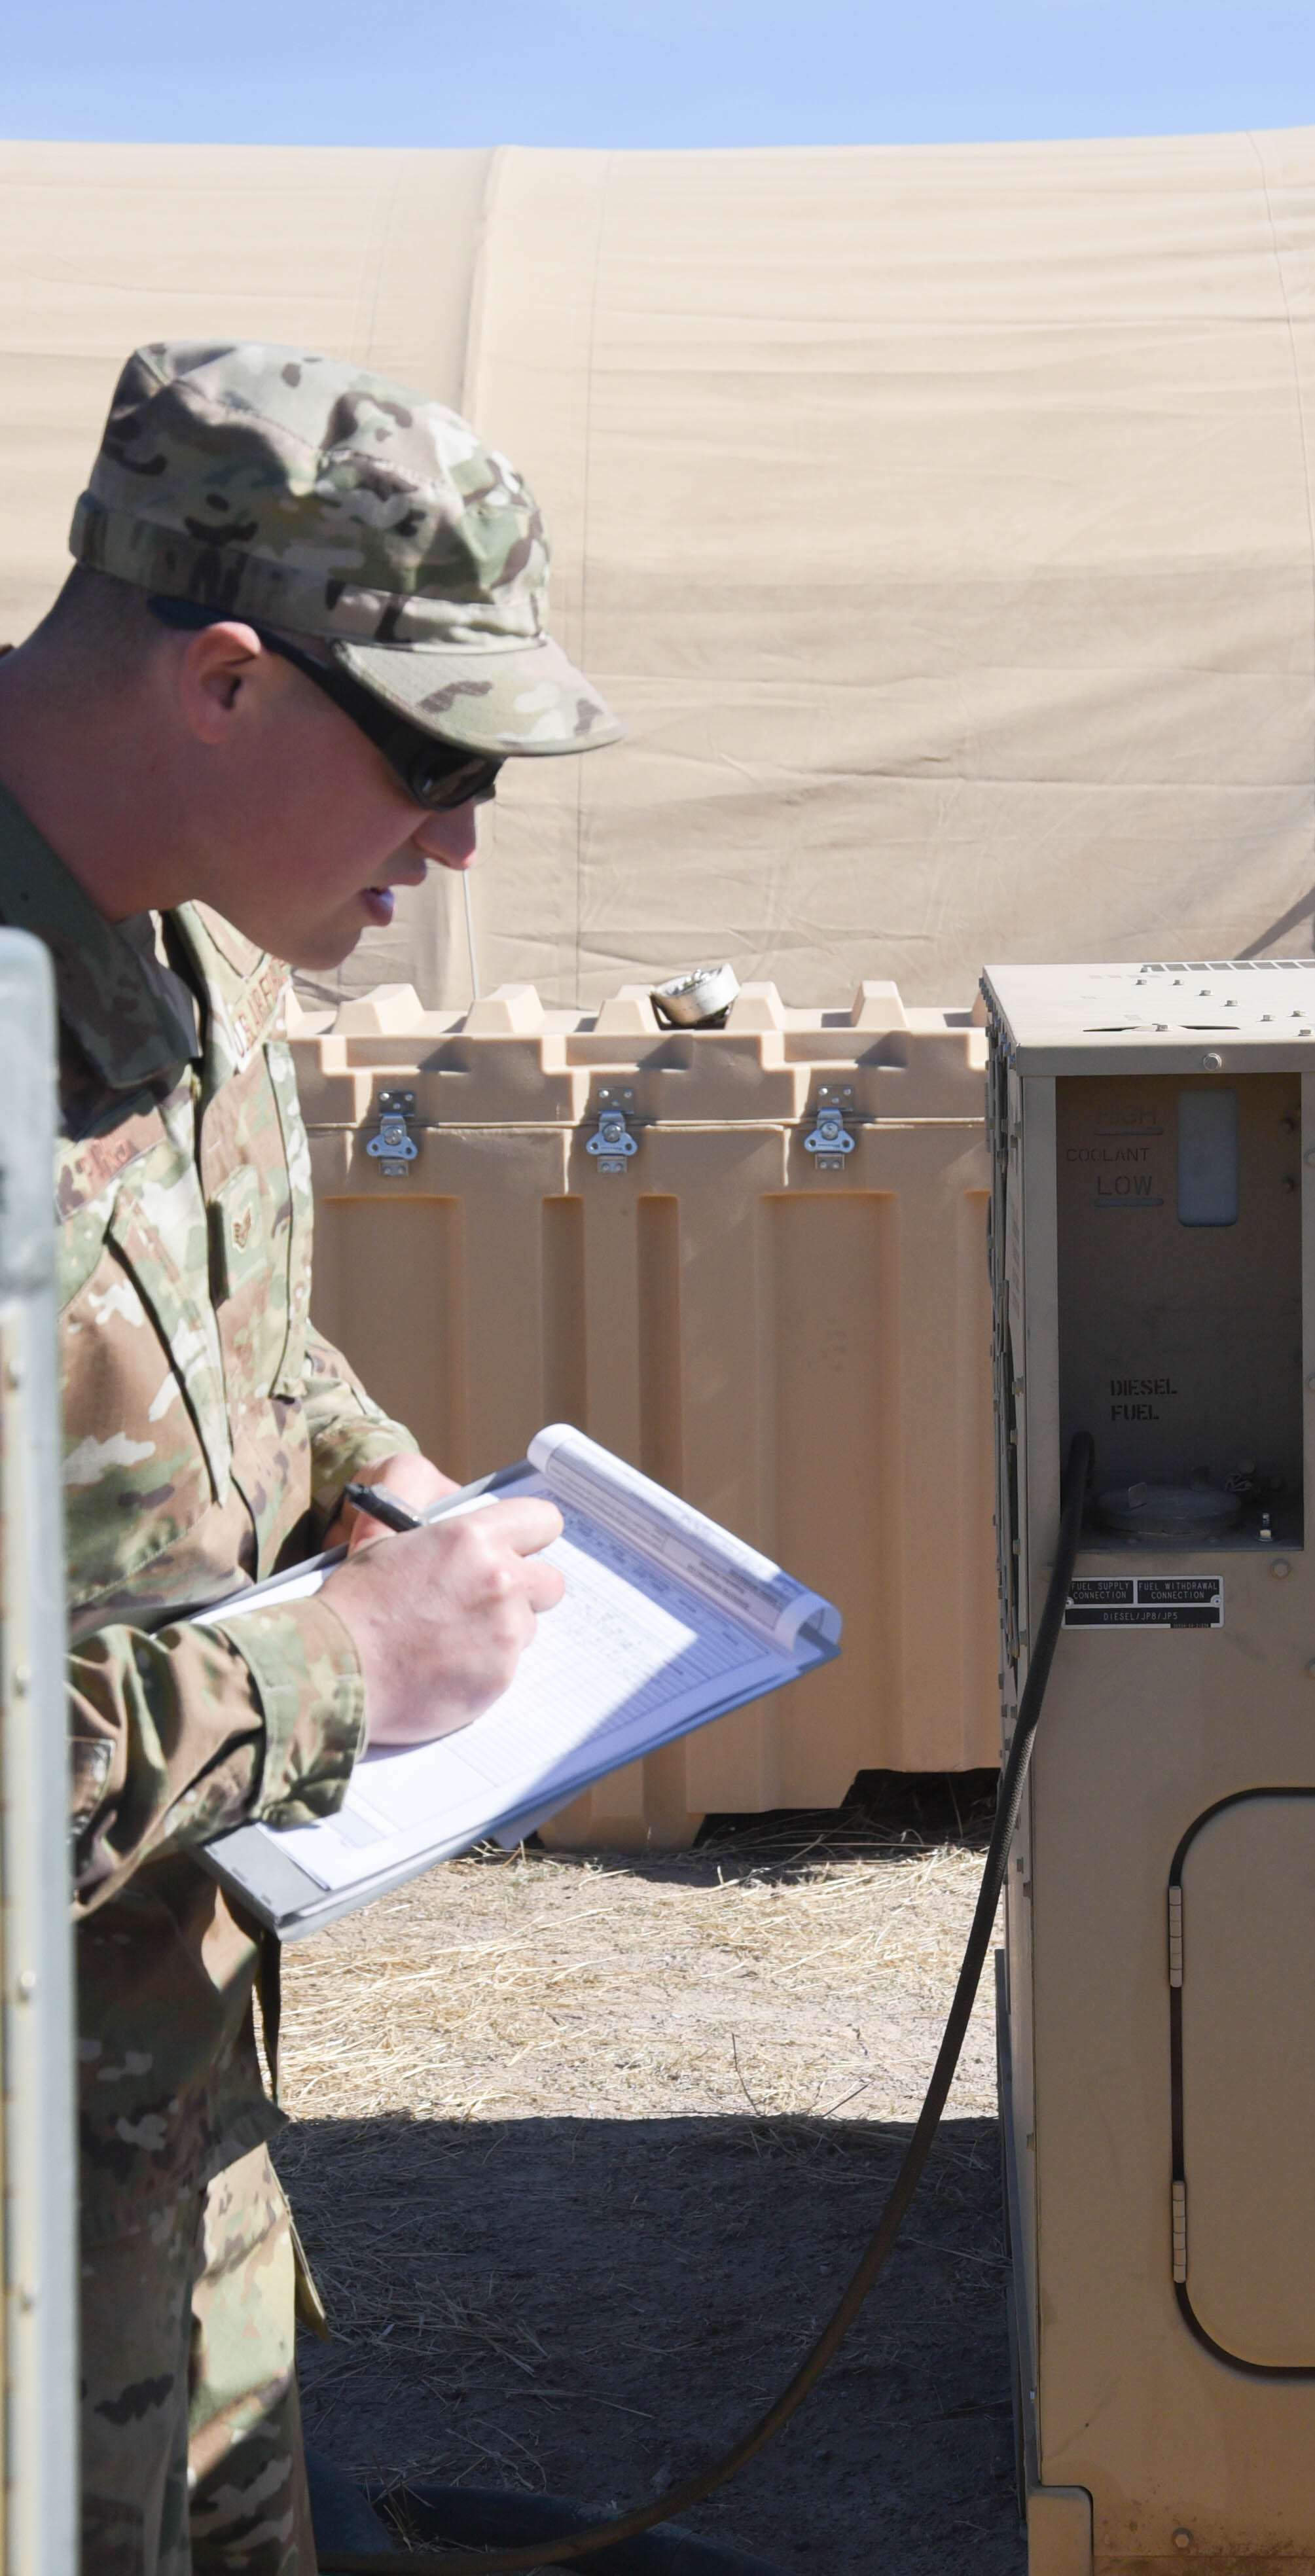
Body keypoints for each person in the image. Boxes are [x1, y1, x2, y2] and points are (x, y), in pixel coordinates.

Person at [0, 340, 627, 2576]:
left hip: (169, 2155)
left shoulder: (202, 949)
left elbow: (208, 1315)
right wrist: (333, 1670)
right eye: (442, 758)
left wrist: (369, 1470)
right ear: (232, 686)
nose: (461, 841)